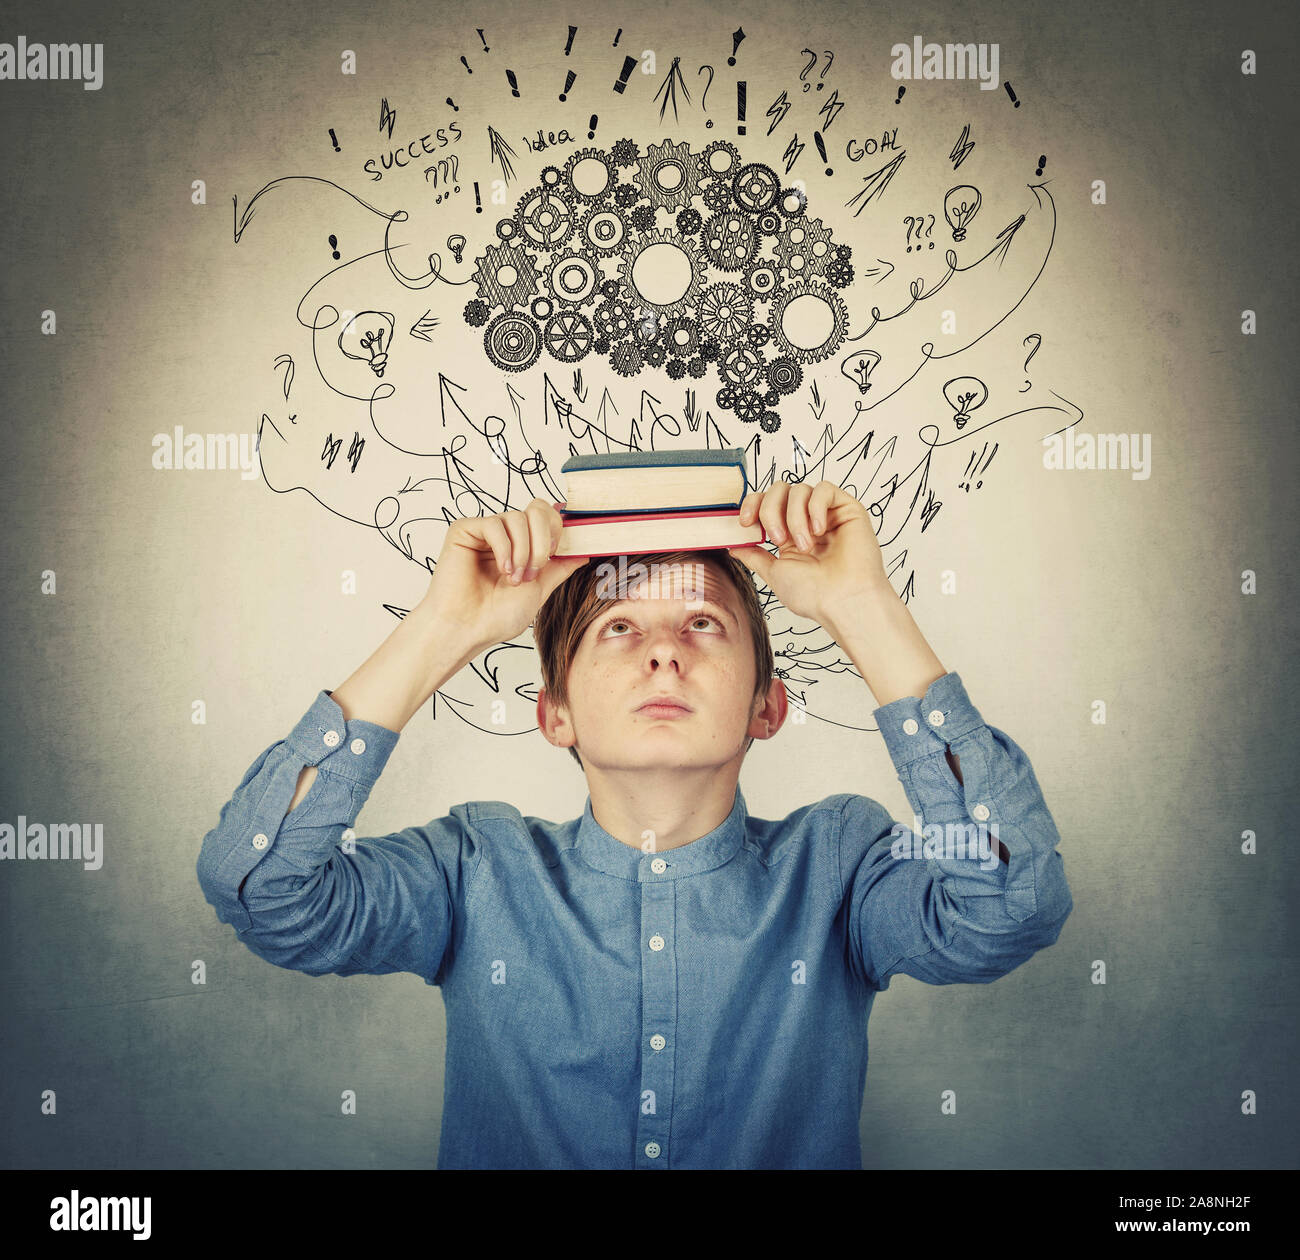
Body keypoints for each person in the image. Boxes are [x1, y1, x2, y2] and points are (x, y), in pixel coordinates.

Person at [197, 480, 1073, 1169]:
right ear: (555, 714)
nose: (664, 650)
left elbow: (1010, 901)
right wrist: (443, 627)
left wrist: (862, 607)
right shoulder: (475, 867)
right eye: (617, 627)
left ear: (768, 707)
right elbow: (265, 888)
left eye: (703, 623)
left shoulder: (840, 865)